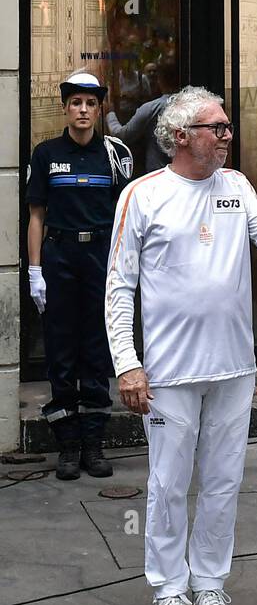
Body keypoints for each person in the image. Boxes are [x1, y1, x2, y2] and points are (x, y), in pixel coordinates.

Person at [104, 85, 257, 605]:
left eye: (227, 128)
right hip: (169, 375)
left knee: (223, 483)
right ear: (181, 137)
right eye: (216, 128)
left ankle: (209, 585)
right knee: (169, 484)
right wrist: (129, 364)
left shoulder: (237, 187)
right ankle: (169, 593)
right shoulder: (143, 195)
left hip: (233, 367)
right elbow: (119, 286)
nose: (227, 136)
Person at [26, 71, 133, 480]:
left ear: (99, 107)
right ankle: (68, 447)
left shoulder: (114, 153)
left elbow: (127, 217)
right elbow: (36, 217)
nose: (83, 110)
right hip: (59, 257)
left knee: (96, 348)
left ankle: (94, 444)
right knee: (60, 350)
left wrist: (125, 266)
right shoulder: (46, 153)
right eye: (76, 103)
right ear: (65, 107)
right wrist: (36, 271)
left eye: (90, 103)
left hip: (101, 258)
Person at [105, 56, 179, 174]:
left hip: (158, 176)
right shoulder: (198, 105)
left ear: (159, 79)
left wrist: (110, 113)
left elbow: (123, 135)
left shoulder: (152, 108)